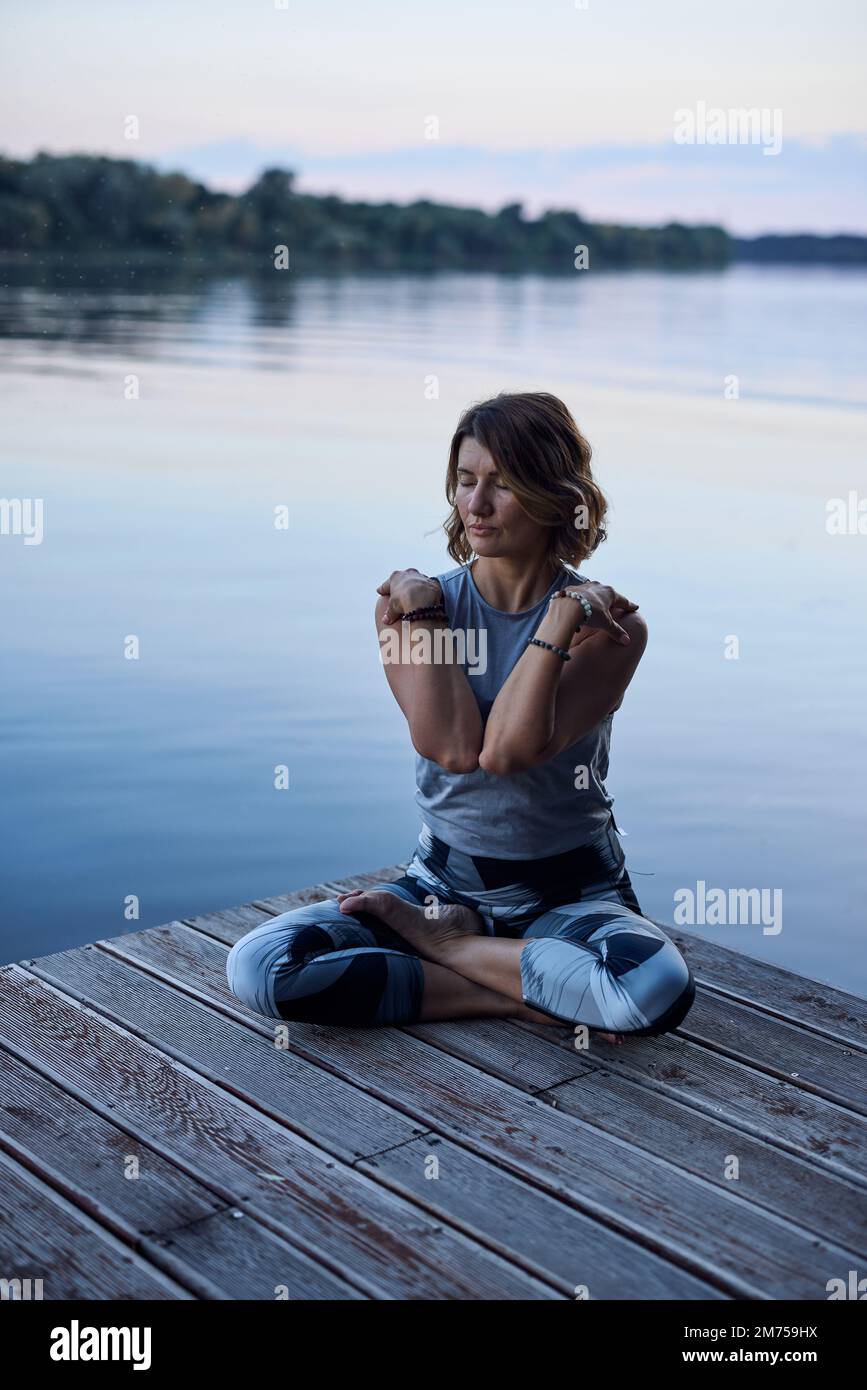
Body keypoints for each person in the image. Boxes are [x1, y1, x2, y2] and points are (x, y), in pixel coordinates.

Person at [226, 391, 695, 1043]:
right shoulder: (411, 609)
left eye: (501, 486)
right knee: (260, 968)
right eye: (466, 482)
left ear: (553, 495)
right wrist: (426, 619)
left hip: (572, 895)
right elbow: (449, 747)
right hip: (442, 882)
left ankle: (447, 951)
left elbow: (508, 751)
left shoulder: (611, 628)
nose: (474, 505)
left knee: (649, 990)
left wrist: (559, 619)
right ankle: (525, 997)